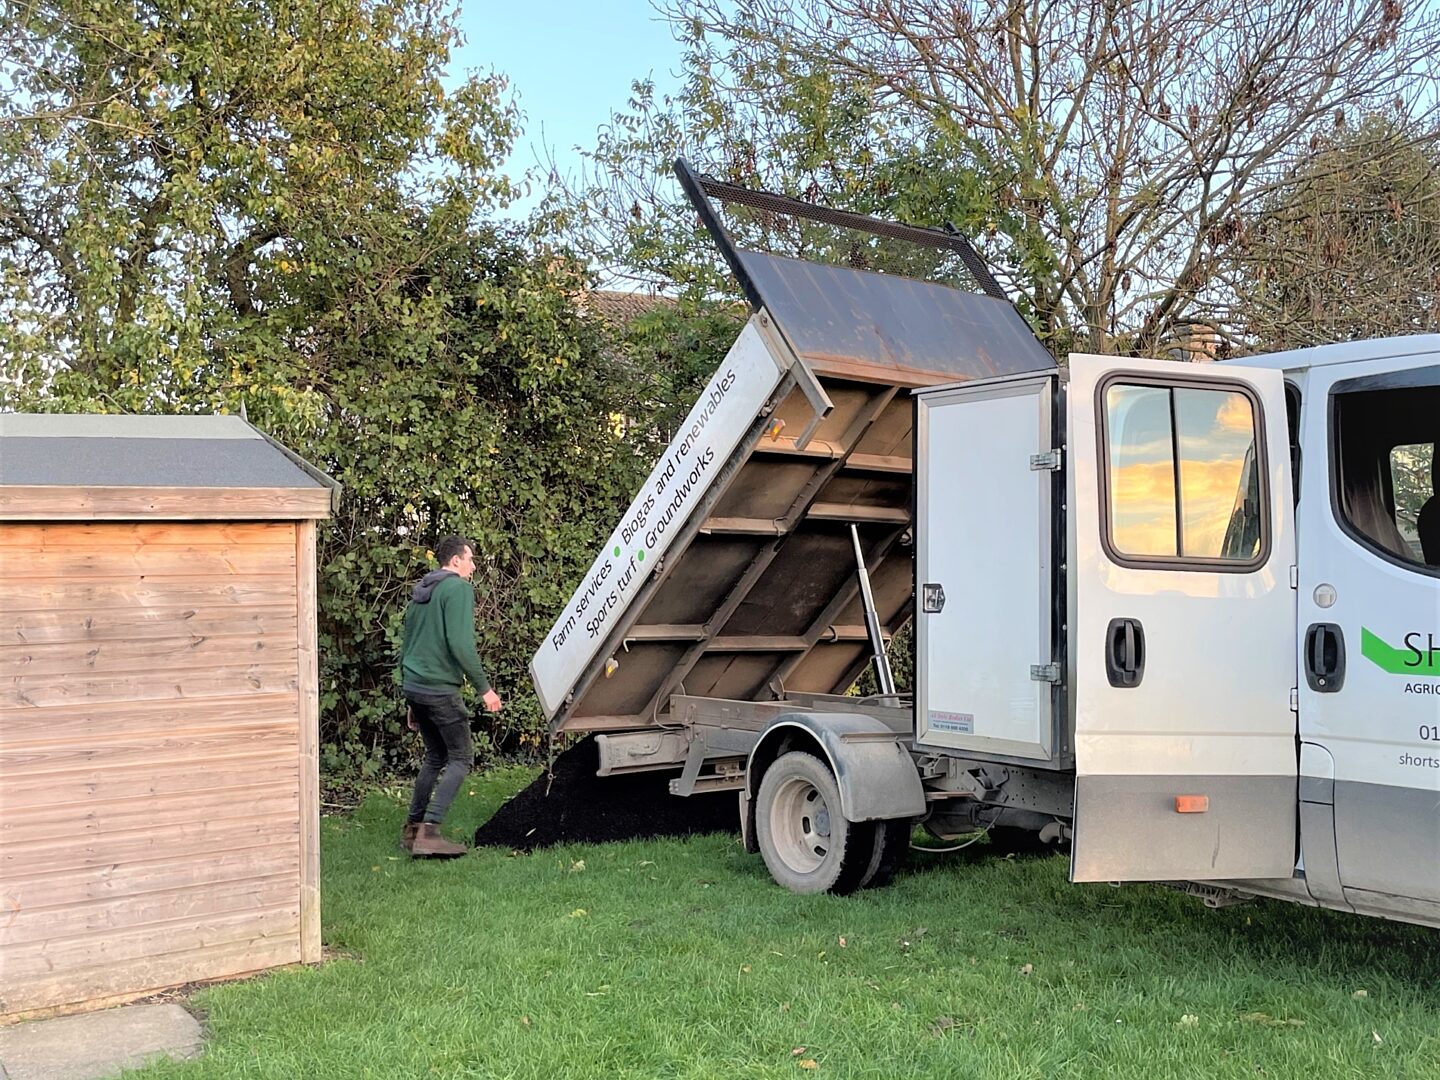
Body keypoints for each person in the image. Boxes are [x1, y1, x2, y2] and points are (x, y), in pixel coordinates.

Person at [398, 535, 502, 857]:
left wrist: (413, 700)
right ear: (455, 561)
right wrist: (485, 689)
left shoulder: (422, 592)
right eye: (469, 560)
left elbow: (409, 644)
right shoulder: (457, 588)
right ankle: (429, 833)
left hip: (416, 686)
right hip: (439, 689)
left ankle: (412, 829)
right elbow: (460, 644)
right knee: (460, 758)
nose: (472, 567)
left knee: (434, 757)